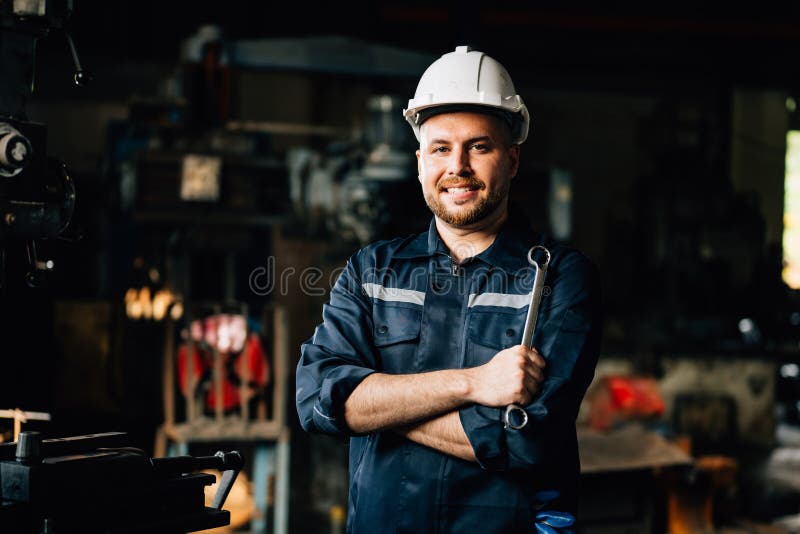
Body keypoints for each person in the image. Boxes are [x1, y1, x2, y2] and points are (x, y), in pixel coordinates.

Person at [296, 45, 602, 533]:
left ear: (512, 159)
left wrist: (373, 407)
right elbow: (317, 399)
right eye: (441, 148)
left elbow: (525, 440)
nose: (457, 165)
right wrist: (474, 383)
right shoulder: (372, 270)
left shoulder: (560, 278)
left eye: (479, 146)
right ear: (420, 162)